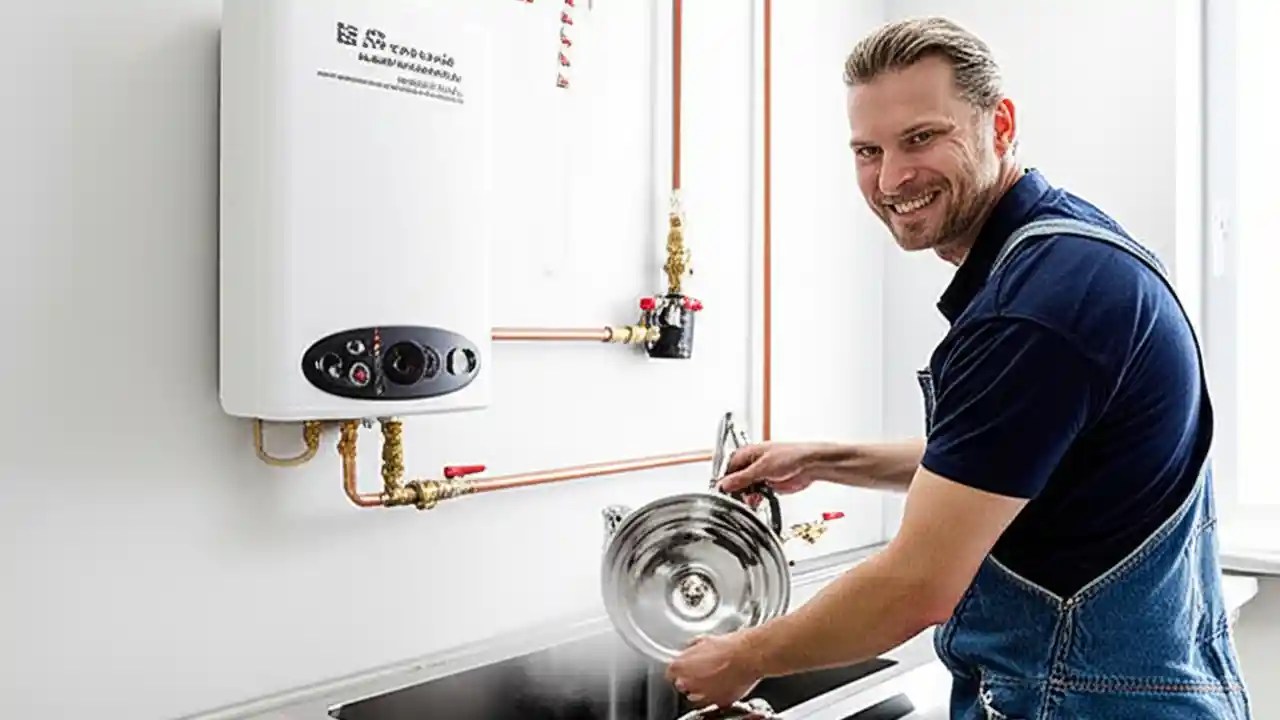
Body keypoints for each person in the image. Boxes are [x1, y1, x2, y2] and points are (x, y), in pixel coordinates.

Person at [665, 16, 1252, 719]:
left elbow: (914, 587)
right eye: (868, 150)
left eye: (921, 138)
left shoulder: (1036, 310)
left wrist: (744, 657)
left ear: (999, 125)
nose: (891, 178)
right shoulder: (1068, 254)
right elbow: (998, 462)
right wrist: (824, 459)